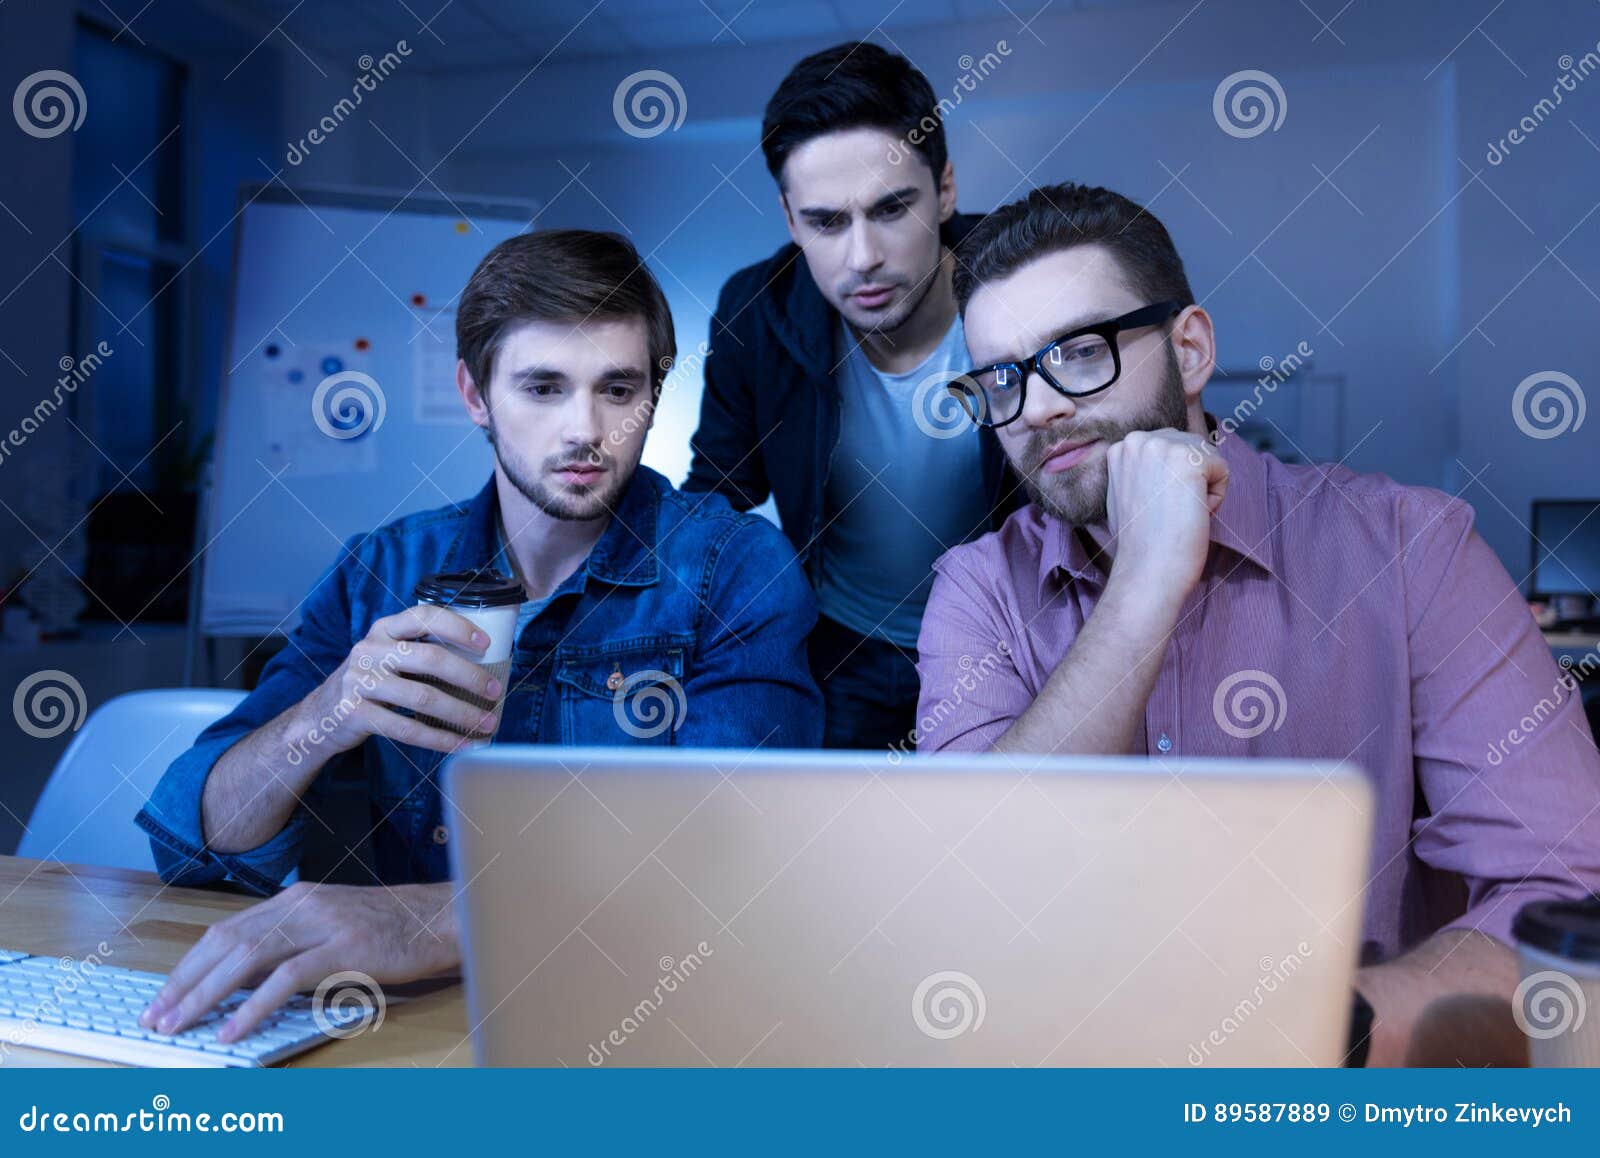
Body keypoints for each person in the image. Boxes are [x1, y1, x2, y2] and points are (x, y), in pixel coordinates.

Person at [915, 181, 1600, 1066]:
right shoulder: (976, 591)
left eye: (1078, 354)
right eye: (1000, 379)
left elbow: (1567, 895)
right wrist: (1146, 580)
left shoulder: (1412, 550)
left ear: (1189, 349)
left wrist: (1309, 1035)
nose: (1036, 407)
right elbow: (970, 904)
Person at [134, 229, 822, 1043]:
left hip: (645, 1025)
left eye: (618, 389)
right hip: (412, 1034)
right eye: (542, 388)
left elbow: (738, 865)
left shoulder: (734, 569)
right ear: (474, 394)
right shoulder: (382, 571)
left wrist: (426, 924)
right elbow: (193, 840)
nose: (584, 430)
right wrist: (330, 711)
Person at [683, 41, 1021, 751]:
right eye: (827, 222)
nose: (862, 257)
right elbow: (718, 490)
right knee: (840, 850)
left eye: (892, 209)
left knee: (1003, 845)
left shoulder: (1026, 282)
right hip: (845, 649)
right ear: (788, 218)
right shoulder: (756, 310)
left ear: (947, 188)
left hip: (1013, 639)